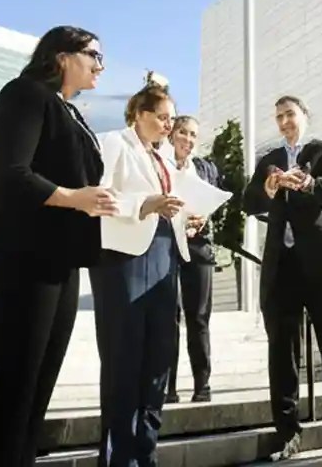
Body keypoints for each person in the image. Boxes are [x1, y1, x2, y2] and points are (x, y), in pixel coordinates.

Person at [0, 26, 118, 467]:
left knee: (37, 387)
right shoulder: (25, 94)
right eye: (94, 55)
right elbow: (10, 173)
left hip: (59, 258)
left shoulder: (72, 112)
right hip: (17, 253)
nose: (101, 66)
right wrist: (73, 198)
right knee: (12, 383)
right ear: (62, 56)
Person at [244, 96, 322, 466]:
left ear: (304, 117)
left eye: (290, 114)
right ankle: (287, 432)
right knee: (282, 351)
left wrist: (310, 183)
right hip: (282, 267)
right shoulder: (268, 159)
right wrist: (268, 190)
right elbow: (249, 201)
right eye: (278, 116)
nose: (284, 122)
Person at [90, 77, 189, 467]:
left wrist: (187, 219)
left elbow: (171, 203)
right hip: (124, 261)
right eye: (162, 117)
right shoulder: (114, 142)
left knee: (158, 362)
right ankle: (119, 458)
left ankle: (146, 453)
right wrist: (143, 205)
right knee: (124, 362)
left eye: (172, 119)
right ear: (139, 114)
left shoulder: (164, 159)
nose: (169, 125)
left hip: (165, 257)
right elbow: (96, 195)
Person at [166, 115, 220, 404]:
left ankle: (202, 385)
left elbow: (212, 204)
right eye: (183, 133)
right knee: (168, 318)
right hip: (166, 247)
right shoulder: (158, 164)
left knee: (198, 317)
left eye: (193, 135)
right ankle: (168, 388)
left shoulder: (204, 168)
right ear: (172, 135)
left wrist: (204, 218)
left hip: (198, 249)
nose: (188, 139)